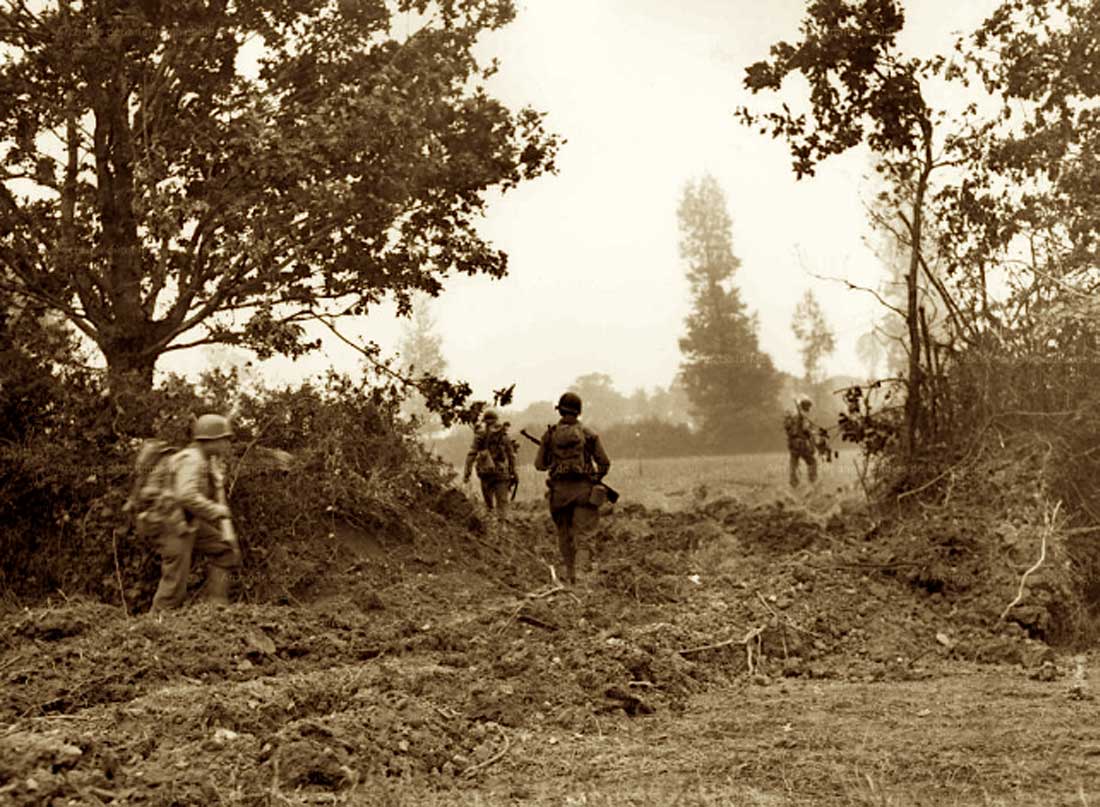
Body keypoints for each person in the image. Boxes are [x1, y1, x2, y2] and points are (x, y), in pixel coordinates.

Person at [149, 413, 241, 612]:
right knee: (173, 588)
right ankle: (151, 632)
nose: (227, 445)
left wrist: (217, 484)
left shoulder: (201, 459)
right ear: (211, 440)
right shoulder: (193, 460)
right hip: (173, 526)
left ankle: (217, 609)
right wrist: (216, 510)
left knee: (224, 551)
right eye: (224, 439)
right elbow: (186, 495)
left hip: (185, 522)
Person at [534, 392, 611, 585]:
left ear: (560, 410)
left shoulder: (550, 435)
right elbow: (604, 463)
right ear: (578, 412)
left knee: (564, 534)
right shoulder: (588, 434)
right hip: (584, 491)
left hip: (558, 494)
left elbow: (539, 465)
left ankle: (570, 576)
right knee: (584, 536)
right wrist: (595, 478)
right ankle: (582, 580)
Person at [462, 409, 516, 516]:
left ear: (485, 422)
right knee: (502, 504)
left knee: (489, 506)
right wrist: (513, 471)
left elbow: (471, 454)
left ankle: (490, 528)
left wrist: (467, 474)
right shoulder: (503, 435)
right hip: (501, 473)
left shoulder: (480, 435)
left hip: (485, 473)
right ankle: (502, 527)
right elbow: (511, 456)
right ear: (496, 420)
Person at [785, 395, 818, 489]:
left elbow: (789, 429)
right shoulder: (803, 416)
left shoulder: (793, 416)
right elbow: (806, 429)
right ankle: (813, 482)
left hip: (792, 444)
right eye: (809, 406)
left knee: (794, 463)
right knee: (812, 462)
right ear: (806, 406)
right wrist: (813, 433)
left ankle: (793, 483)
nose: (809, 408)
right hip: (801, 443)